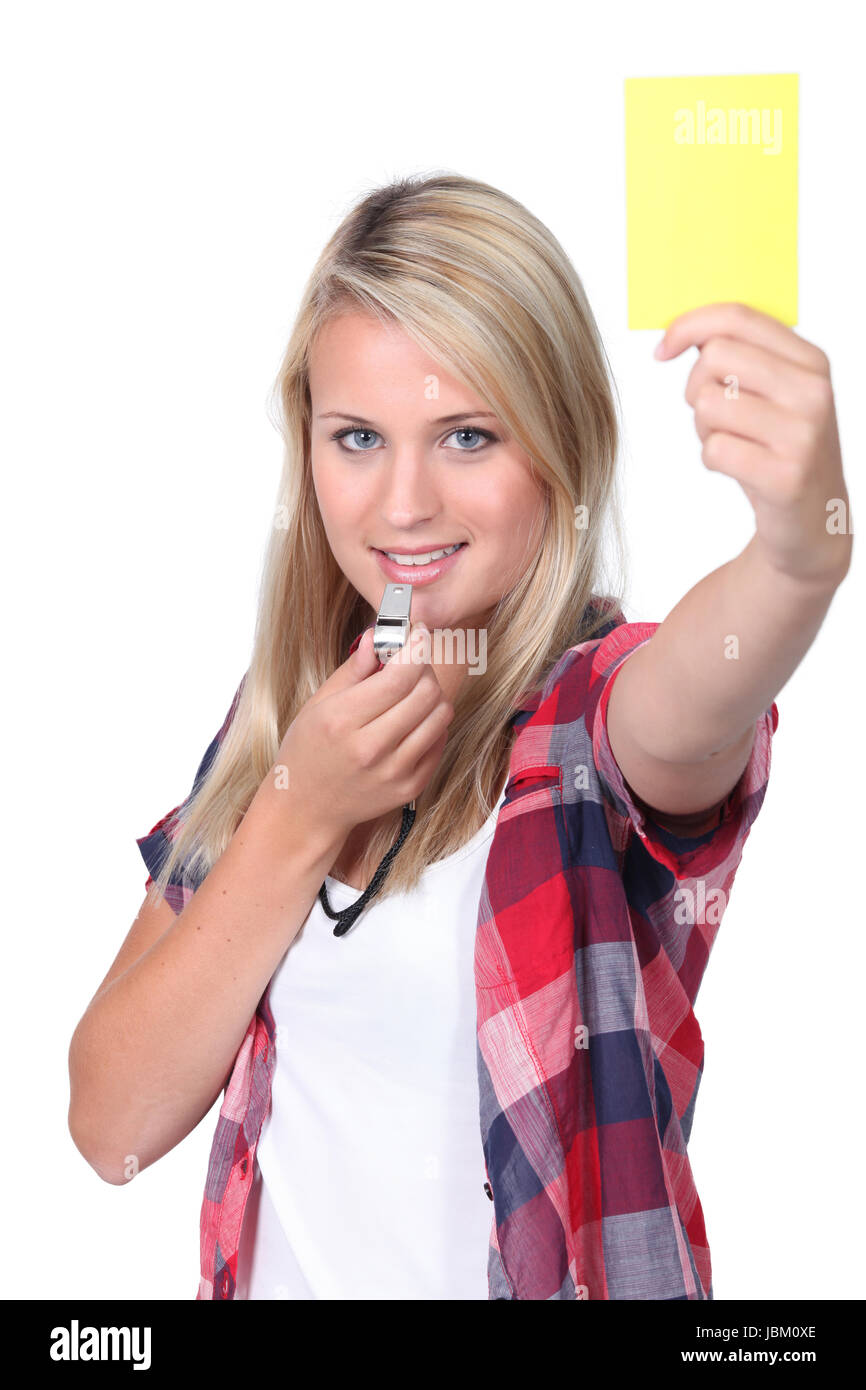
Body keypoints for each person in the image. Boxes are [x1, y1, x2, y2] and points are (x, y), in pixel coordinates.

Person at [67, 171, 851, 1301]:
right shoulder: (288, 715)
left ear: (560, 446)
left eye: (467, 436)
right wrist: (297, 811)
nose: (401, 503)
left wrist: (794, 556)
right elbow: (113, 1124)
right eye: (356, 438)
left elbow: (700, 688)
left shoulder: (590, 715)